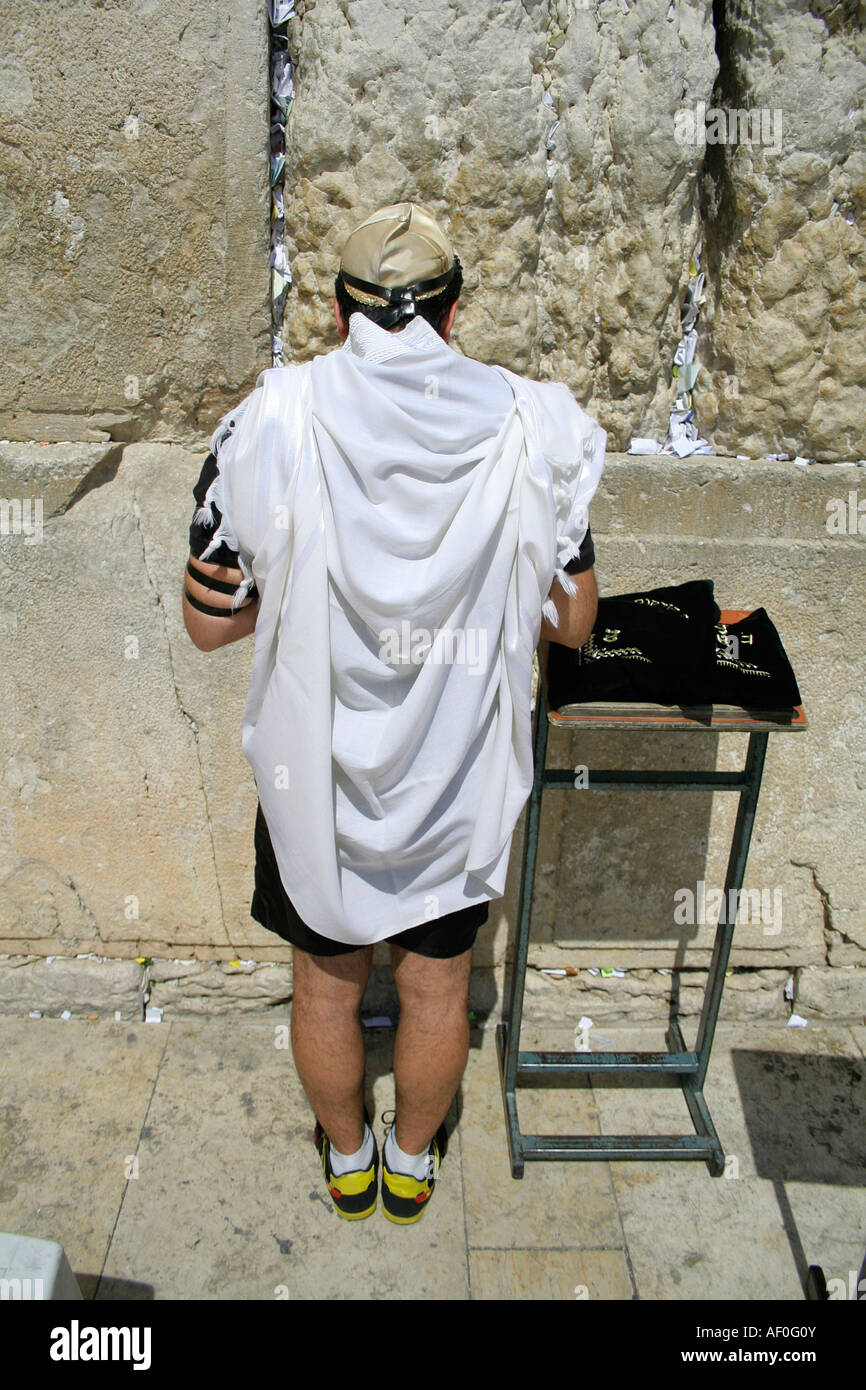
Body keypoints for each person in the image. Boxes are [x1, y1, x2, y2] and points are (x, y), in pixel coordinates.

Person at [182, 202, 605, 1224]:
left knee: (326, 987)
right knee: (434, 988)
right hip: (455, 775)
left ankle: (345, 1155)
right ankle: (412, 1162)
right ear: (451, 315)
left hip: (314, 775)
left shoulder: (268, 421)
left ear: (338, 314)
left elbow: (209, 621)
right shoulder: (530, 423)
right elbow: (574, 622)